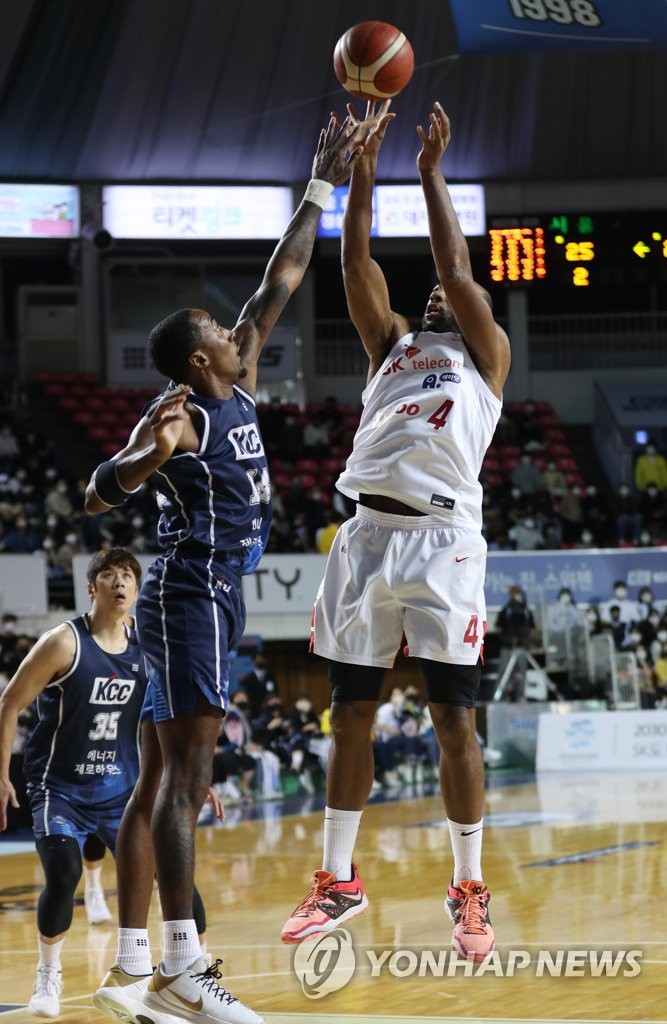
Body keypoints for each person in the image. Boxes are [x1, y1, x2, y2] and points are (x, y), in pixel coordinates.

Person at [86, 114, 365, 1024]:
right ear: (203, 356)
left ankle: (142, 965)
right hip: (189, 591)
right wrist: (138, 461)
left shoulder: (234, 377)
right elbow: (101, 489)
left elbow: (281, 271)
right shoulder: (178, 415)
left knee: (165, 778)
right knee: (189, 780)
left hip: (212, 592)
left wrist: (321, 184)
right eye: (220, 327)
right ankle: (181, 967)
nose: (240, 326)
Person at [280, 100, 511, 963]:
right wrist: (366, 167)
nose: (438, 295)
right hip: (364, 539)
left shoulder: (484, 358)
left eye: (455, 293)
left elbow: (454, 269)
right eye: (434, 296)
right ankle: (338, 880)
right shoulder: (393, 348)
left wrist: (429, 174)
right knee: (350, 716)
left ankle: (467, 891)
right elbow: (355, 259)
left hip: (444, 545)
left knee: (454, 724)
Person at [0, 549, 148, 1017]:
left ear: (137, 591)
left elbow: (166, 716)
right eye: (109, 575)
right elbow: (9, 704)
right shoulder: (63, 642)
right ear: (92, 588)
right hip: (59, 787)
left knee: (167, 875)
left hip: (120, 789)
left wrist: (191, 774)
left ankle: (166, 973)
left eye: (128, 576)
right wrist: (0, 775)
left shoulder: (148, 646)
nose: (120, 583)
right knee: (63, 874)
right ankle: (48, 976)